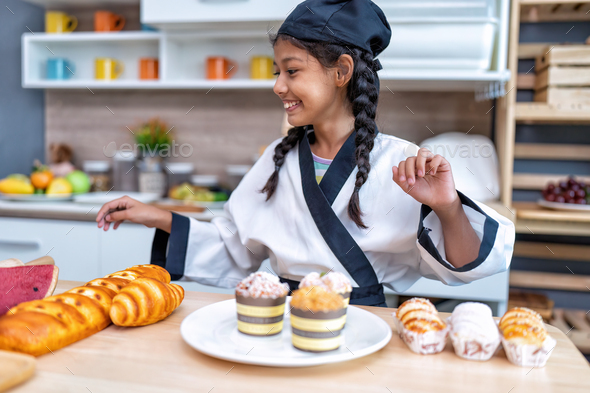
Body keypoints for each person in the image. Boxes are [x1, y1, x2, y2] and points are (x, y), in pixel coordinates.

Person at [96, 0, 515, 307]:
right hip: (281, 320)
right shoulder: (277, 158)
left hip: (366, 325)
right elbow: (234, 248)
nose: (278, 86)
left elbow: (464, 264)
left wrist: (447, 207)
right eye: (278, 71)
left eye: (291, 71)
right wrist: (154, 214)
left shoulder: (401, 165)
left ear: (342, 72)